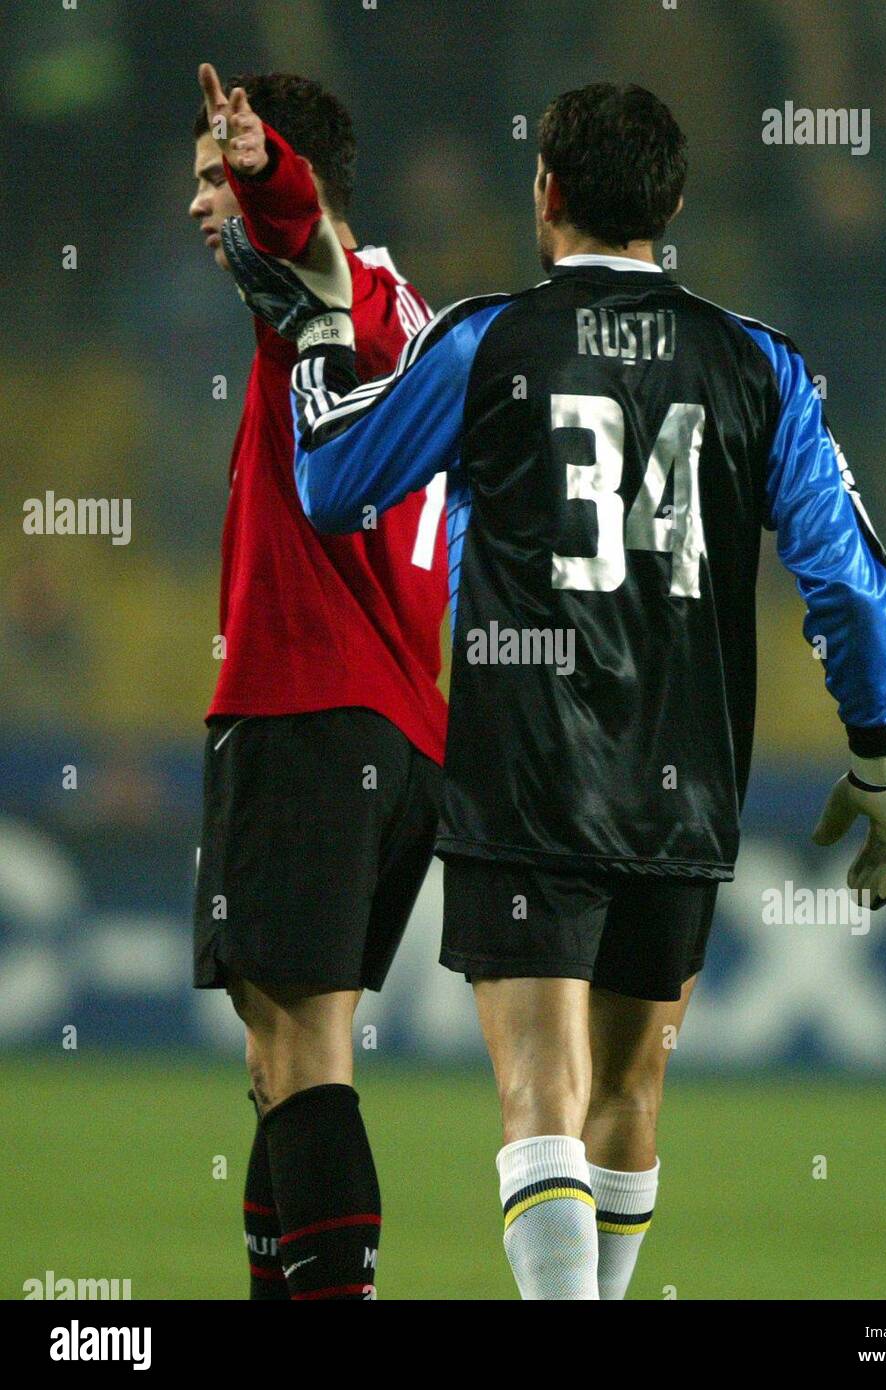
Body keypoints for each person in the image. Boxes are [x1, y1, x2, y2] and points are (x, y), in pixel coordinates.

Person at [221, 81, 886, 1301]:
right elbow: (851, 588)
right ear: (675, 207)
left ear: (542, 191)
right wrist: (880, 762)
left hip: (523, 767)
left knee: (535, 1097)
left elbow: (337, 485)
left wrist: (321, 339)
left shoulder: (488, 339)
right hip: (685, 781)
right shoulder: (760, 366)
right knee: (627, 1094)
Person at [188, 63, 445, 1301]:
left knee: (304, 1057)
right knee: (279, 1058)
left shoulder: (312, 283)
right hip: (398, 734)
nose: (202, 205)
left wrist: (261, 171)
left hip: (305, 707)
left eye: (211, 176)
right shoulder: (418, 317)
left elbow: (296, 227)